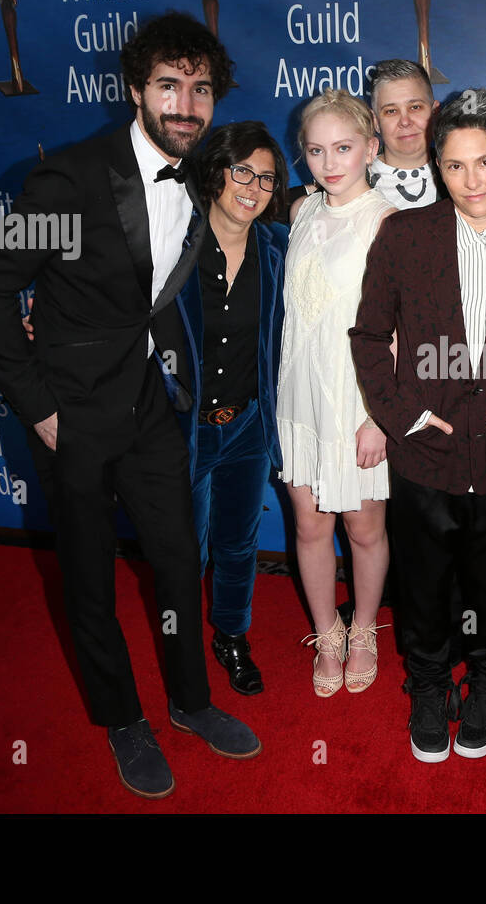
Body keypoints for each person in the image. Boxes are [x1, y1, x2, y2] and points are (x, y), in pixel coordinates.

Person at [0, 12, 260, 800]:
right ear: (136, 88)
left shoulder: (200, 177)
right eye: (169, 85)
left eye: (200, 90)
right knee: (90, 578)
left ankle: (192, 701)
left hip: (151, 409)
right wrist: (37, 406)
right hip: (71, 418)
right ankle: (124, 719)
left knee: (177, 559)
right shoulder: (73, 178)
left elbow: (155, 288)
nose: (185, 104)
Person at [351, 88, 486, 763]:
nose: (471, 181)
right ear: (437, 169)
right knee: (423, 582)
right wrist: (403, 415)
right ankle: (428, 682)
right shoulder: (405, 235)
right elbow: (367, 336)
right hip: (425, 453)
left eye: (485, 163)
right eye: (454, 166)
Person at [279, 89, 395, 698]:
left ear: (371, 148)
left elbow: (402, 330)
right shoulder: (300, 213)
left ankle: (366, 628)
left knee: (364, 526)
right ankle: (327, 633)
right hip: (301, 394)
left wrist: (381, 417)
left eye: (344, 147)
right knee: (308, 524)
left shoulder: (388, 222)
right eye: (317, 150)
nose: (330, 162)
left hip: (358, 400)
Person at [175, 122, 289, 697]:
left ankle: (231, 635)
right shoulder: (175, 242)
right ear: (217, 171)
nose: (253, 186)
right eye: (242, 170)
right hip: (182, 429)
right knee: (184, 548)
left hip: (247, 425)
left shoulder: (278, 250)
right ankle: (180, 644)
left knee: (239, 543)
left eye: (266, 177)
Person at [368, 58, 442, 208]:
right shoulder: (352, 184)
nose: (405, 121)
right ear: (375, 122)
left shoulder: (461, 178)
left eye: (415, 107)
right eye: (391, 111)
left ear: (435, 113)